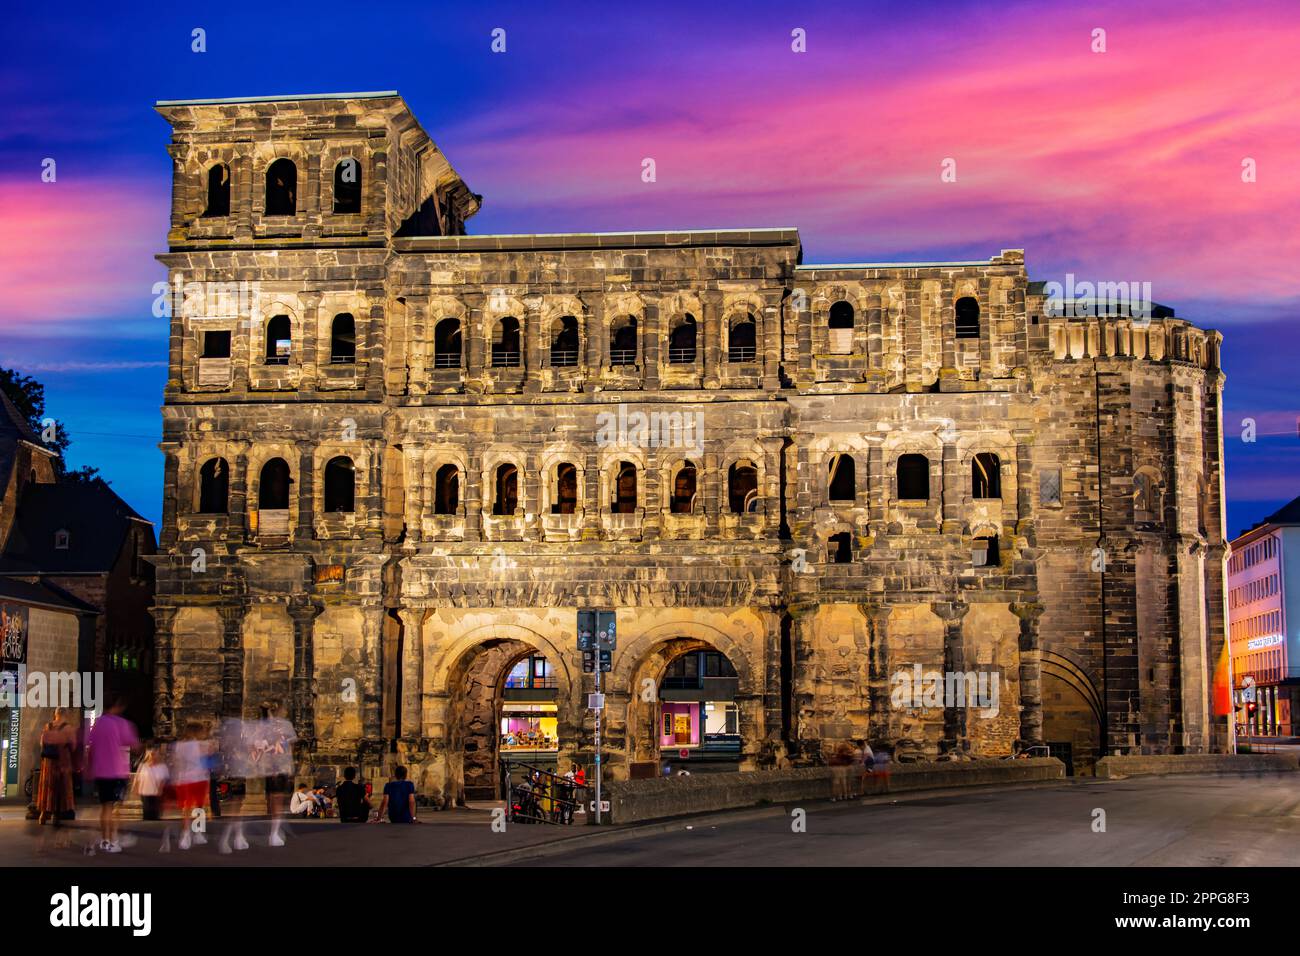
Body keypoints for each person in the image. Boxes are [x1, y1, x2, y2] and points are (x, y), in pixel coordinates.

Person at [84, 697, 141, 854]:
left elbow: (90, 748)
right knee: (116, 808)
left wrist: (89, 769)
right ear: (117, 705)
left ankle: (105, 839)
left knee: (105, 808)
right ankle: (113, 840)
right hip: (116, 771)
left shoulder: (98, 723)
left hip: (101, 771)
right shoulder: (121, 723)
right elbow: (135, 746)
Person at [249, 701, 296, 846]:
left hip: (266, 766)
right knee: (277, 798)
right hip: (278, 765)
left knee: (272, 797)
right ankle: (274, 832)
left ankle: (273, 830)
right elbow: (291, 743)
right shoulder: (285, 725)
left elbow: (253, 745)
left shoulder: (261, 727)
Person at [36, 709, 77, 826]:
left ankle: (43, 815)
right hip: (62, 762)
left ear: (55, 714)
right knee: (61, 787)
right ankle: (56, 815)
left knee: (48, 786)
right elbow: (73, 746)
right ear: (66, 714)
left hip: (48, 762)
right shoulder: (68, 728)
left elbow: (41, 743)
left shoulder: (47, 726)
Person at [173, 721, 210, 849]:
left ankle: (187, 834)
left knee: (187, 808)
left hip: (186, 778)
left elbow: (178, 763)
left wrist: (178, 778)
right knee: (198, 807)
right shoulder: (203, 745)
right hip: (199, 778)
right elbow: (206, 762)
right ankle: (196, 833)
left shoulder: (180, 745)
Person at [133, 746, 169, 822]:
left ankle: (154, 825)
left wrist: (160, 789)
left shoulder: (162, 766)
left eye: (154, 754)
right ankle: (147, 824)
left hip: (156, 792)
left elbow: (164, 779)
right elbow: (137, 778)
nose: (152, 756)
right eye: (151, 754)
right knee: (146, 811)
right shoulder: (142, 766)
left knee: (155, 811)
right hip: (144, 791)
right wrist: (136, 788)